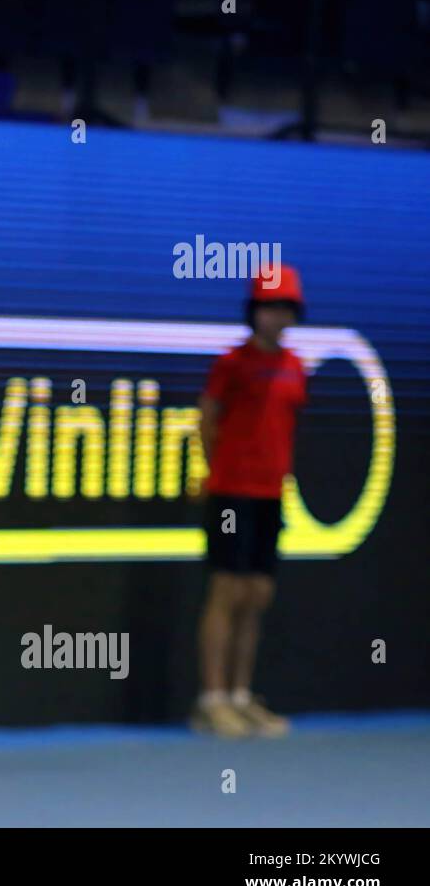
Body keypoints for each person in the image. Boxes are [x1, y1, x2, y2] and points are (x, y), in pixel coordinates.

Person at [192, 263, 307, 738]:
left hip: (270, 494)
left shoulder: (297, 367)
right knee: (227, 590)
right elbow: (207, 418)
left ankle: (241, 696)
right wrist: (219, 471)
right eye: (266, 306)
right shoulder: (231, 365)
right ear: (253, 311)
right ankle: (212, 700)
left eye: (282, 307)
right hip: (230, 494)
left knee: (257, 594)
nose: (274, 315)